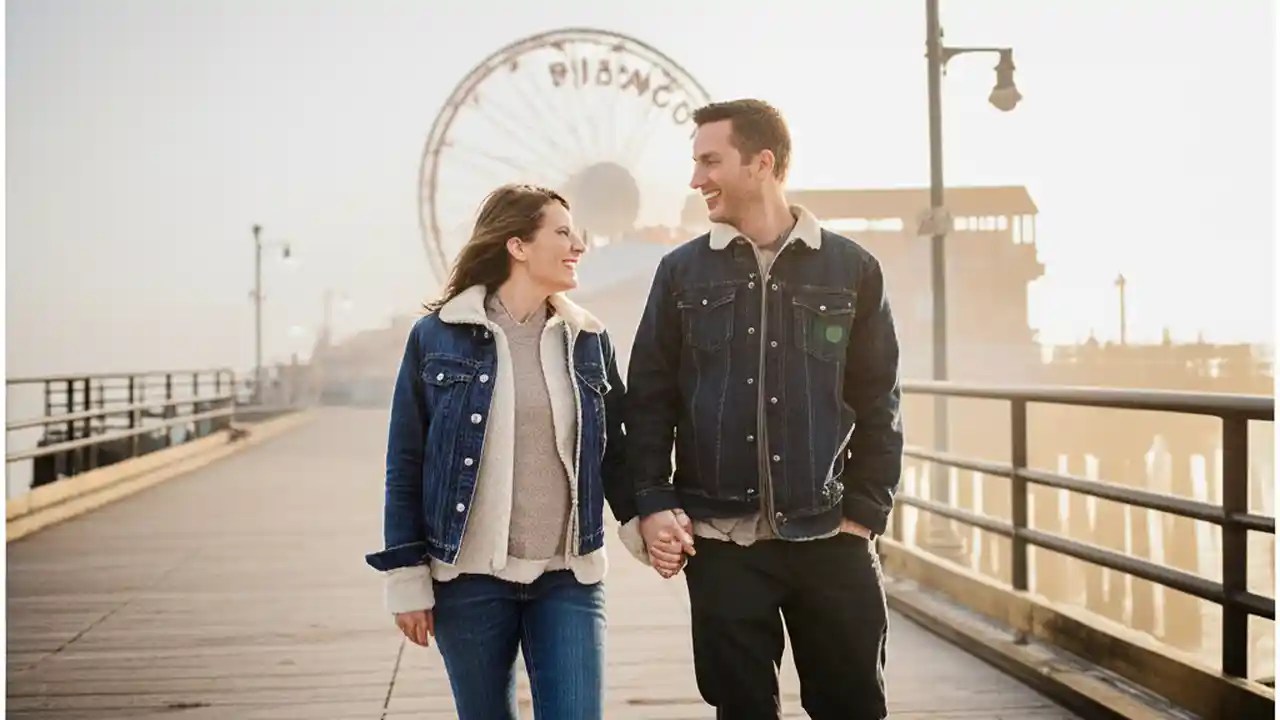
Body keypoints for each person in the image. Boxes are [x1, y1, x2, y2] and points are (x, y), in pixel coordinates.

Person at [621, 99, 904, 719]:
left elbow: (879, 400)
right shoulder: (679, 273)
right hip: (722, 544)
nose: (696, 180)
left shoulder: (853, 269)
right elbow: (647, 400)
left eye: (710, 161)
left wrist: (864, 514)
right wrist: (653, 500)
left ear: (762, 163)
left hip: (832, 536)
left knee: (855, 706)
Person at [366, 183, 633, 719]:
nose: (577, 243)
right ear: (517, 245)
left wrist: (648, 518)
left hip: (568, 574)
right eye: (561, 232)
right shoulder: (437, 337)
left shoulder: (589, 338)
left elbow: (618, 452)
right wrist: (407, 579)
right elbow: (406, 464)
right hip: (468, 581)